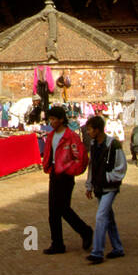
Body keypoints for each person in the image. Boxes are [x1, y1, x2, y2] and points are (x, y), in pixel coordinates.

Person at [40, 105, 92, 255]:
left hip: (66, 175)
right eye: (50, 119)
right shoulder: (51, 136)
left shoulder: (71, 136)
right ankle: (57, 243)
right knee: (53, 212)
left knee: (63, 208)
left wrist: (70, 170)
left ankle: (85, 230)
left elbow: (80, 157)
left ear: (61, 120)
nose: (51, 122)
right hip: (55, 174)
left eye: (54, 119)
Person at [83, 115, 127, 264]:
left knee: (101, 216)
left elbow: (121, 167)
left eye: (89, 129)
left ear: (97, 130)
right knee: (108, 218)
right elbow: (92, 167)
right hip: (99, 186)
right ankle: (118, 248)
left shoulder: (112, 144)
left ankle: (97, 252)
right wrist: (89, 185)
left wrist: (108, 177)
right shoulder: (94, 144)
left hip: (110, 187)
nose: (87, 132)